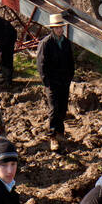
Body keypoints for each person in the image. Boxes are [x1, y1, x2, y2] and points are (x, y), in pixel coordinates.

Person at [35, 14, 74, 153]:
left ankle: (60, 132)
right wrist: (47, 82)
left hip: (64, 81)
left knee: (63, 108)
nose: (60, 30)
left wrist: (70, 77)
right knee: (54, 109)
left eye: (61, 27)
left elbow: (71, 62)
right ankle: (52, 136)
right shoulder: (46, 43)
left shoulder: (66, 43)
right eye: (57, 28)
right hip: (52, 82)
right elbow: (41, 64)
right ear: (52, 28)